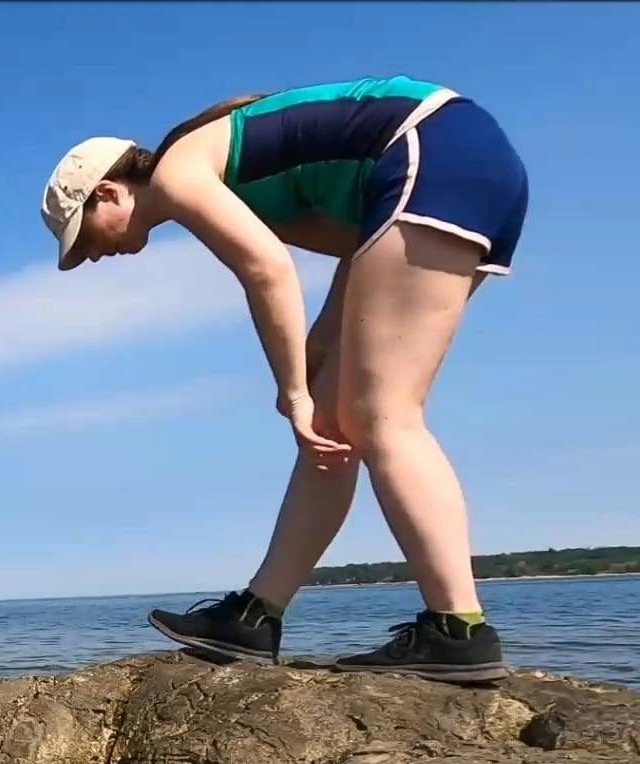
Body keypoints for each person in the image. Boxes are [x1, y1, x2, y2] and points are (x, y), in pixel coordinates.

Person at [40, 76, 527, 683]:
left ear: (108, 192)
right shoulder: (220, 176)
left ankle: (458, 629)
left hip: (433, 153)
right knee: (334, 425)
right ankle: (256, 615)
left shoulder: (177, 173)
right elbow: (362, 240)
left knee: (384, 418)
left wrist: (291, 390)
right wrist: (319, 350)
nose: (88, 256)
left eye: (82, 237)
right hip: (462, 165)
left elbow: (268, 272)